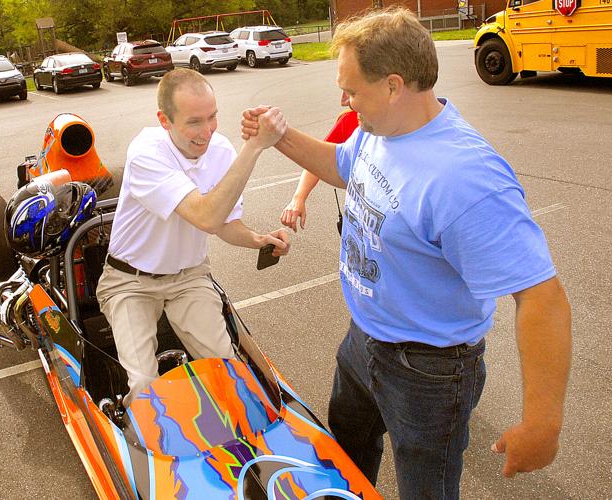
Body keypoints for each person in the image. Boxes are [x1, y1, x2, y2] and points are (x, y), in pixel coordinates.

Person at [241, 7, 571, 499]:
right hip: (363, 342)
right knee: (347, 455)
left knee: (426, 488)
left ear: (394, 85)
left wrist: (543, 423)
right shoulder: (380, 131)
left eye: (352, 90)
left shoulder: (464, 177)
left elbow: (542, 298)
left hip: (428, 373)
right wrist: (280, 137)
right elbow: (341, 165)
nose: (344, 100)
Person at [96, 68, 290, 406]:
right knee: (144, 383)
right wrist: (256, 146)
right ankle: (149, 445)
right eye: (194, 122)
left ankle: (237, 437)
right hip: (130, 281)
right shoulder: (146, 152)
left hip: (189, 278)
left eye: (212, 117)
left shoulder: (221, 150)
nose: (207, 132)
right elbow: (205, 215)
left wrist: (259, 239)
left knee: (228, 369)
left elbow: (223, 224)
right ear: (165, 120)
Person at [281, 106, 358, 232]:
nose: (343, 101)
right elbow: (317, 161)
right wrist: (298, 198)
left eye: (351, 92)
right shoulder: (351, 119)